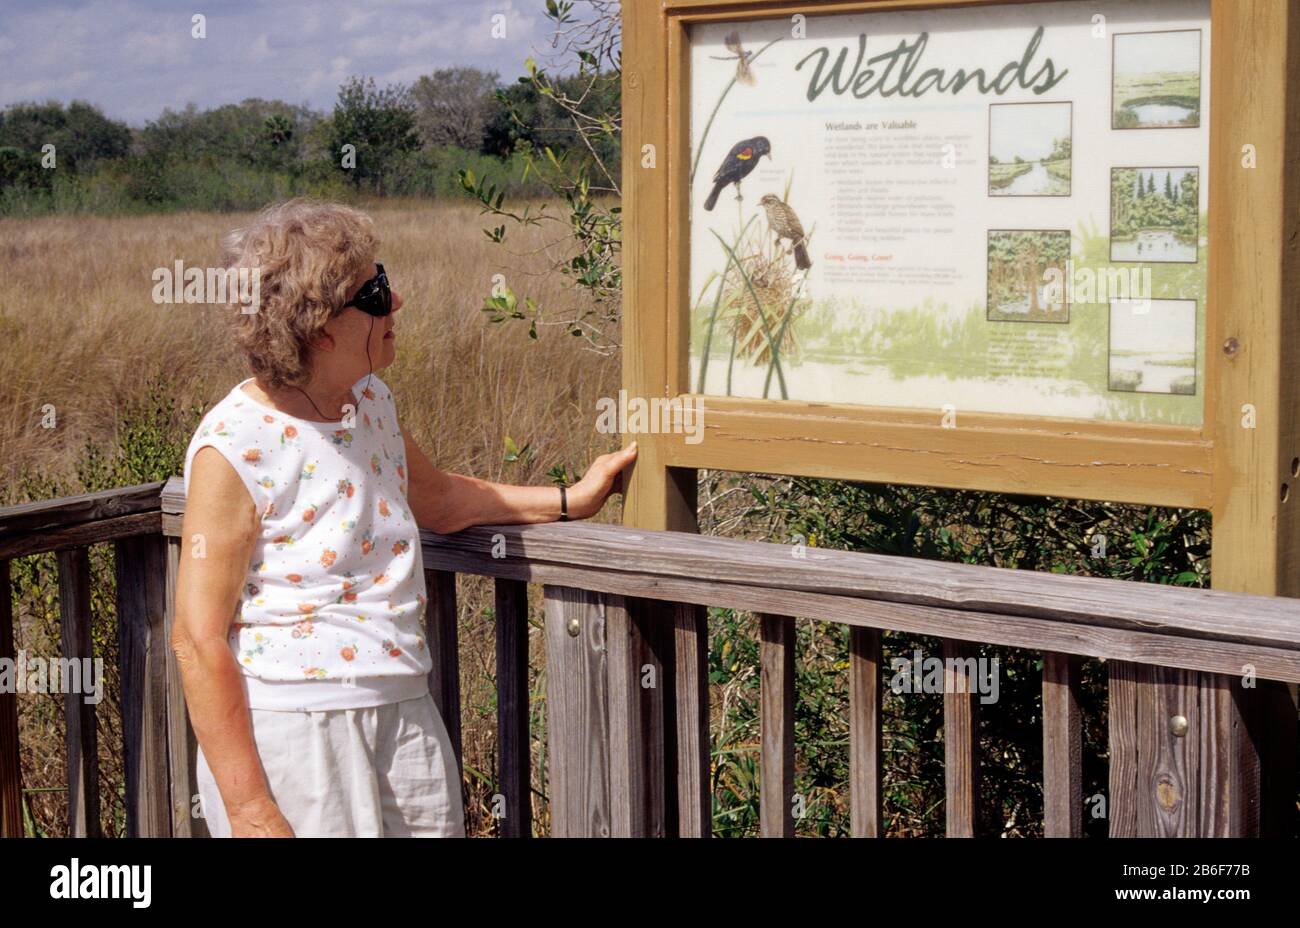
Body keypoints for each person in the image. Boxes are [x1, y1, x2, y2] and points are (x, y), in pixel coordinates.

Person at [172, 198, 636, 837]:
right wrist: (250, 810)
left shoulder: (367, 400)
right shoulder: (234, 443)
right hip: (299, 735)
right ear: (318, 326)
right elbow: (196, 640)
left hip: (401, 707)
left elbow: (440, 499)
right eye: (376, 292)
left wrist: (570, 499)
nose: (397, 305)